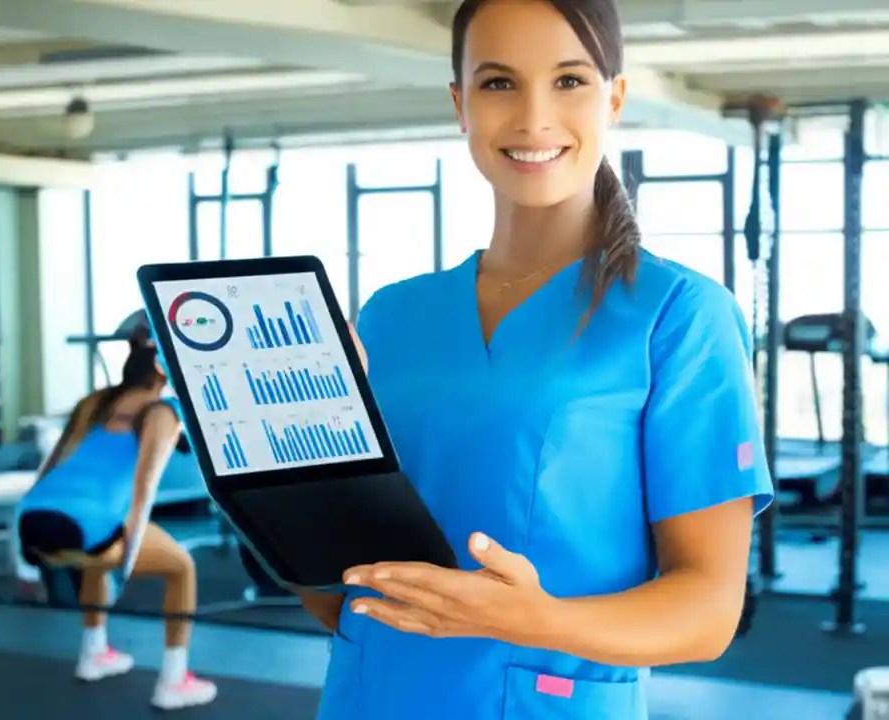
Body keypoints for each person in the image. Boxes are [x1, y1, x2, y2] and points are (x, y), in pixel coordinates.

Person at [296, 0, 775, 718]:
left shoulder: (680, 316)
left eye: (569, 81)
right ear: (460, 104)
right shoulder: (390, 315)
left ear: (614, 96)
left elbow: (708, 612)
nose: (532, 117)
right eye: (497, 83)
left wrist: (529, 617)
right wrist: (270, 476)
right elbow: (345, 598)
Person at [14, 326, 217, 711]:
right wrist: (124, 568)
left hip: (33, 525)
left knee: (101, 541)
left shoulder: (94, 402)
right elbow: (144, 495)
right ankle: (174, 681)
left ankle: (94, 652)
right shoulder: (164, 413)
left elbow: (46, 473)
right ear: (163, 369)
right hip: (87, 530)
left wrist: (24, 565)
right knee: (181, 567)